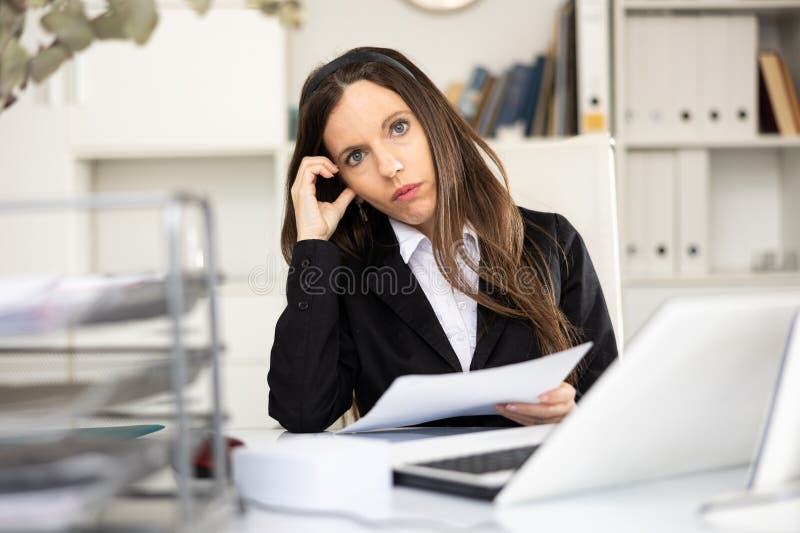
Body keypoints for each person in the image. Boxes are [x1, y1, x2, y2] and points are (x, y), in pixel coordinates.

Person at [268, 46, 617, 434]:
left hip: (532, 468)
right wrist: (312, 244)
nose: (389, 167)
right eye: (356, 156)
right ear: (342, 181)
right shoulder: (348, 275)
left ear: (434, 121)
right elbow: (301, 411)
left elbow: (612, 405)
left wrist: (571, 413)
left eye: (398, 128)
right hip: (408, 473)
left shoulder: (551, 241)